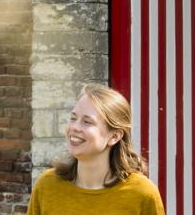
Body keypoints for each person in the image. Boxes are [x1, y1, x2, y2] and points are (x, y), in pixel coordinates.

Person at [28, 84, 165, 215]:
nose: (74, 127)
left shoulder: (143, 193)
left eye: (87, 122)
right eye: (73, 118)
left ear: (115, 136)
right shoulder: (47, 186)